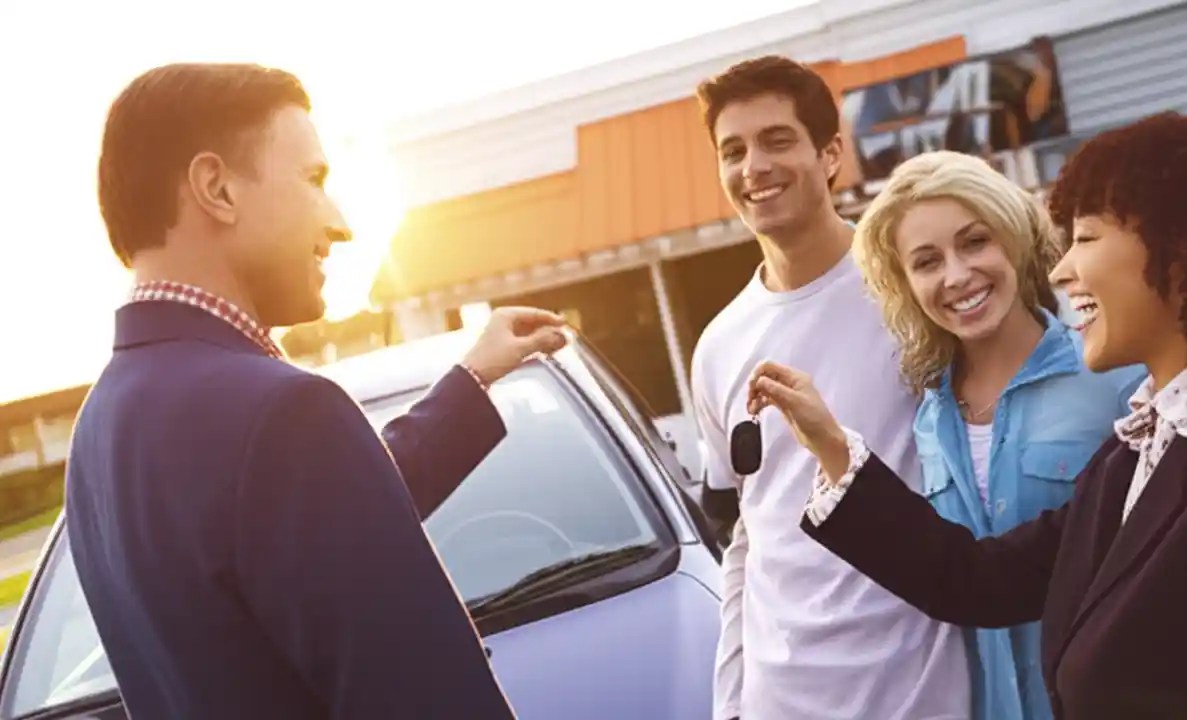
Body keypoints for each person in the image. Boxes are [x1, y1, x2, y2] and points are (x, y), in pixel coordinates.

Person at [65, 63, 566, 720]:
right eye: (314, 180)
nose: (341, 225)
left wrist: (472, 378)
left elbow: (318, 527)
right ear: (217, 188)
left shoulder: (99, 430)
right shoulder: (280, 414)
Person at [748, 110, 1187, 719]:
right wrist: (832, 448)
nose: (1061, 268)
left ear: (1182, 249)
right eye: (925, 261)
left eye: (1086, 237)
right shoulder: (1132, 453)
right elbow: (982, 580)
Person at [769, 148, 1144, 720]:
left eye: (975, 242)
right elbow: (954, 575)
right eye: (926, 261)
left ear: (1013, 241)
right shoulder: (929, 418)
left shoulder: (1116, 381)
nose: (957, 275)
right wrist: (831, 449)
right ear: (905, 284)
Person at [690, 55, 970, 720]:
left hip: (920, 690)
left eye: (777, 140)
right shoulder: (717, 348)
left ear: (831, 153)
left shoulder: (913, 290)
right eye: (734, 150)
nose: (754, 166)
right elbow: (746, 538)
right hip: (781, 701)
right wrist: (730, 704)